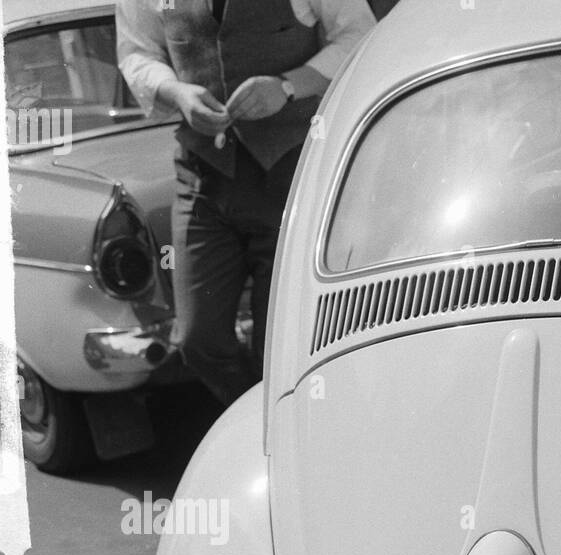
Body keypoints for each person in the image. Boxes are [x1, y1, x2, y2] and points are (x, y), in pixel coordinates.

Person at [117, 0, 376, 405]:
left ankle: (284, 436)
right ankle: (257, 425)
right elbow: (137, 52)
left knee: (281, 341)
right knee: (197, 339)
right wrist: (176, 92)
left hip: (294, 172)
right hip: (203, 172)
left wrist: (288, 85)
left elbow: (359, 34)